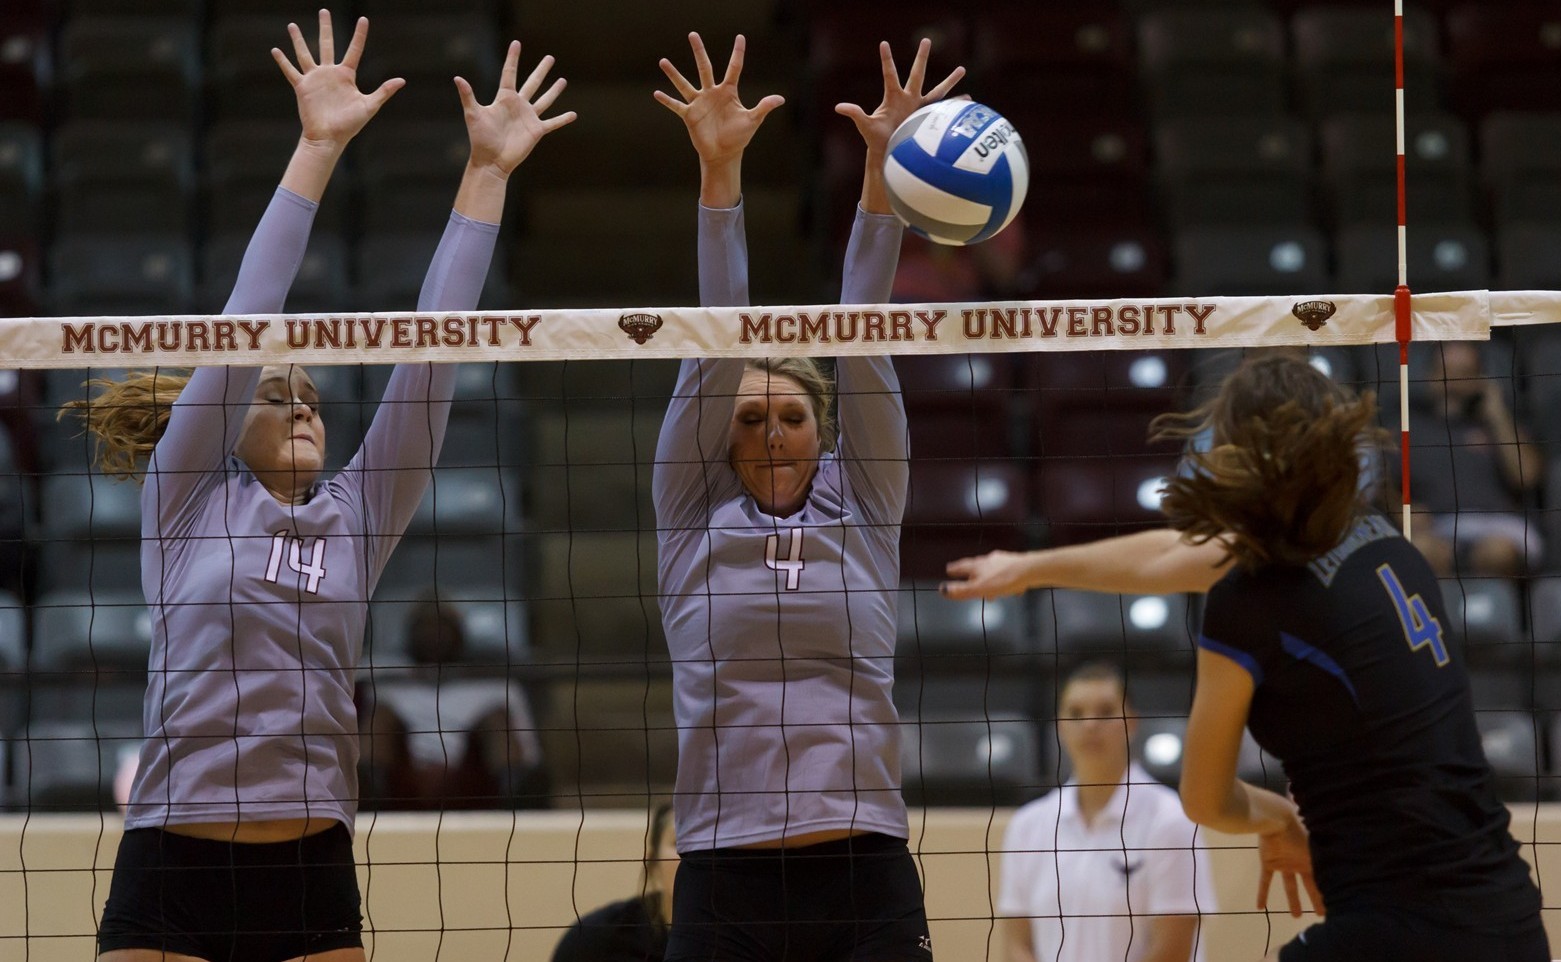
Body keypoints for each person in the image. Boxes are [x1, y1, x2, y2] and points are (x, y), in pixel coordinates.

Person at [63, 13, 575, 961]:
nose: (303, 407)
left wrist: (487, 173)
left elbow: (432, 357)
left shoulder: (358, 513)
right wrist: (317, 147)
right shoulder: (188, 495)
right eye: (276, 394)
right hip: (173, 858)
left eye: (313, 399)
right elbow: (248, 314)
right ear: (227, 421)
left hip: (309, 867)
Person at [948, 355, 1550, 962]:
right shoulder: (1386, 540)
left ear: (1237, 457)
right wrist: (1029, 568)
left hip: (1400, 932)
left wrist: (1276, 816)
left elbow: (1204, 799)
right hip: (1510, 916)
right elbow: (1173, 556)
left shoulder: (1249, 603)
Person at [650, 32, 961, 962]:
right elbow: (719, 337)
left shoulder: (863, 504)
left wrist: (884, 172)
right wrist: (719, 175)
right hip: (725, 875)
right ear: (722, 435)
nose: (773, 433)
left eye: (791, 415)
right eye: (749, 419)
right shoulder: (692, 515)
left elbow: (863, 332)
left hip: (864, 869)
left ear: (822, 429)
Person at [998, 661, 1212, 962]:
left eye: (1105, 712)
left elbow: (1173, 951)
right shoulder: (1027, 826)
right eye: (1076, 713)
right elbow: (1016, 946)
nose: (1090, 724)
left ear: (1132, 723)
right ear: (1060, 726)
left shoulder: (1170, 820)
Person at [361, 591, 542, 809]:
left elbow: (528, 753)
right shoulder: (387, 680)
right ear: (411, 633)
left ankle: (515, 810)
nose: (433, 634)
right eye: (425, 626)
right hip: (405, 777)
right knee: (380, 716)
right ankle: (370, 808)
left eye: (442, 626)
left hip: (475, 777)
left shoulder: (494, 682)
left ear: (459, 633)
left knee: (497, 718)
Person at [1408, 340, 1543, 577]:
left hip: (1502, 527)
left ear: (1480, 379)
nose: (1453, 383)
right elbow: (1385, 487)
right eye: (1446, 373)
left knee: (1496, 553)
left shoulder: (1502, 424)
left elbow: (1527, 477)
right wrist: (1405, 510)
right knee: (1420, 550)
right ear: (1431, 377)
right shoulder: (1412, 429)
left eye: (1464, 374)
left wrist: (1496, 413)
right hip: (1440, 528)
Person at [550, 802, 678, 962]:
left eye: (704, 844)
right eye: (680, 842)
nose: (695, 856)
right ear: (653, 862)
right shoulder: (595, 939)